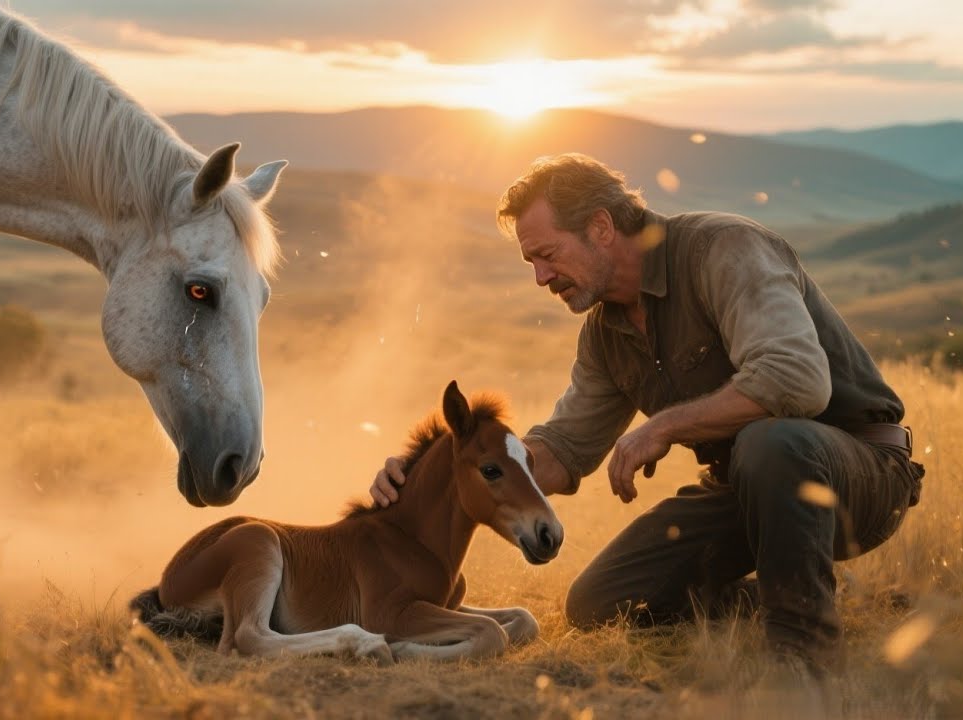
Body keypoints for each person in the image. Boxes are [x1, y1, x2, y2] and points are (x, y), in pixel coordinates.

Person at [370, 153, 925, 668]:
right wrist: (441, 473)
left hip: (860, 474)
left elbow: (798, 380)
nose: (540, 277)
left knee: (770, 443)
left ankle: (803, 661)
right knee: (600, 603)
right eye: (531, 262)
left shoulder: (723, 249)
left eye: (547, 254)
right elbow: (562, 451)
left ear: (602, 228)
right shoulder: (605, 334)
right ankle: (781, 588)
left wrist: (663, 425)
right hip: (746, 494)